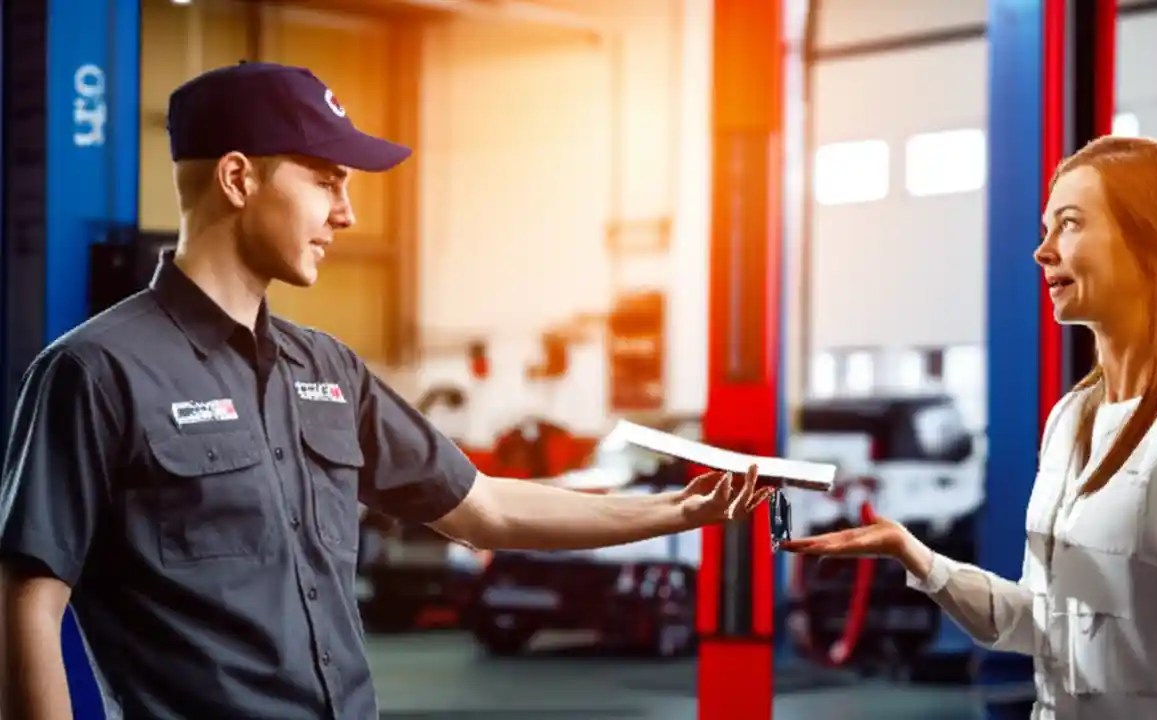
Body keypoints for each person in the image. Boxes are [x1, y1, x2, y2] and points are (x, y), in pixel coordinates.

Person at [0, 61, 770, 720]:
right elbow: (31, 601)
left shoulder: (328, 372)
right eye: (326, 180)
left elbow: (488, 509)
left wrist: (677, 510)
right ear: (239, 178)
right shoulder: (96, 372)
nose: (347, 212)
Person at [783, 135, 1157, 719]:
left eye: (1069, 225)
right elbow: (1042, 621)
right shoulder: (1072, 418)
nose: (1043, 251)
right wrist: (915, 556)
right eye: (1046, 229)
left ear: (1151, 243)